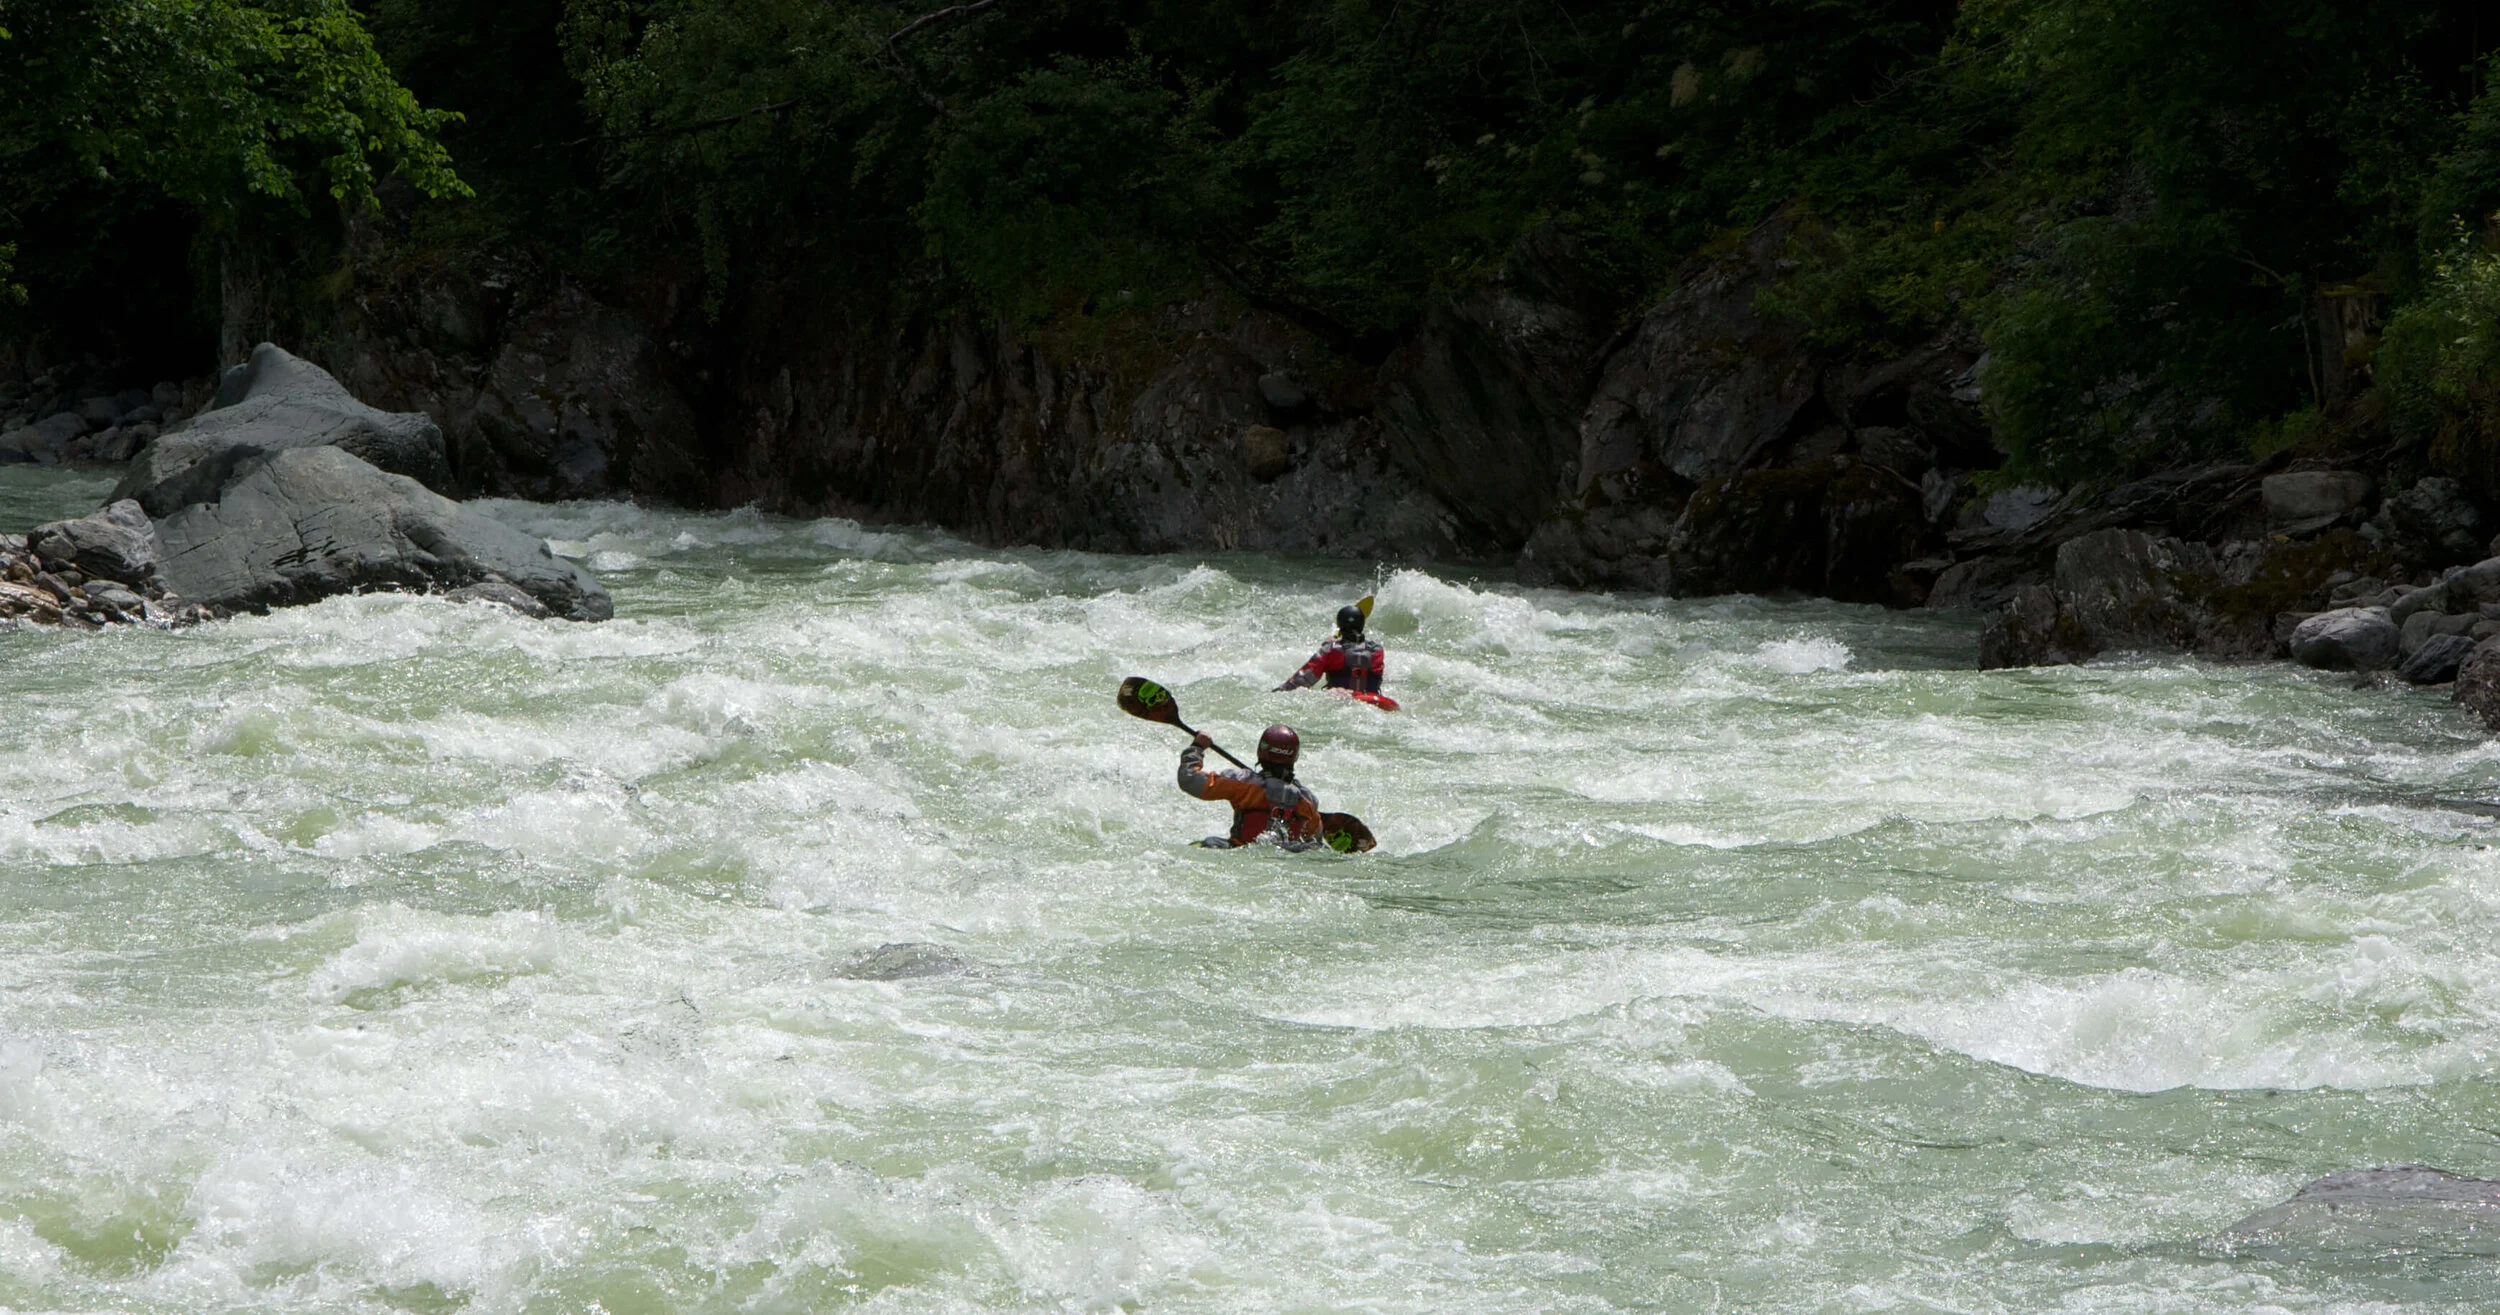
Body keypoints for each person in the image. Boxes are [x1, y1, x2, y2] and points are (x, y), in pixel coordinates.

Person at [1178, 724, 1323, 848]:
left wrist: (1197, 747)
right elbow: (1314, 840)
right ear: (1294, 757)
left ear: (1261, 752)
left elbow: (1189, 779)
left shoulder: (1245, 784)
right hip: (1283, 859)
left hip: (1241, 852)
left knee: (1206, 844)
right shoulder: (1307, 801)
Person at [1276, 604, 1385, 694]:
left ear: (1340, 625)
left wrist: (1281, 690)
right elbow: (1357, 656)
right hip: (1370, 699)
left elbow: (1304, 679)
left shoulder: (1330, 650)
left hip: (1338, 696)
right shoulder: (1377, 651)